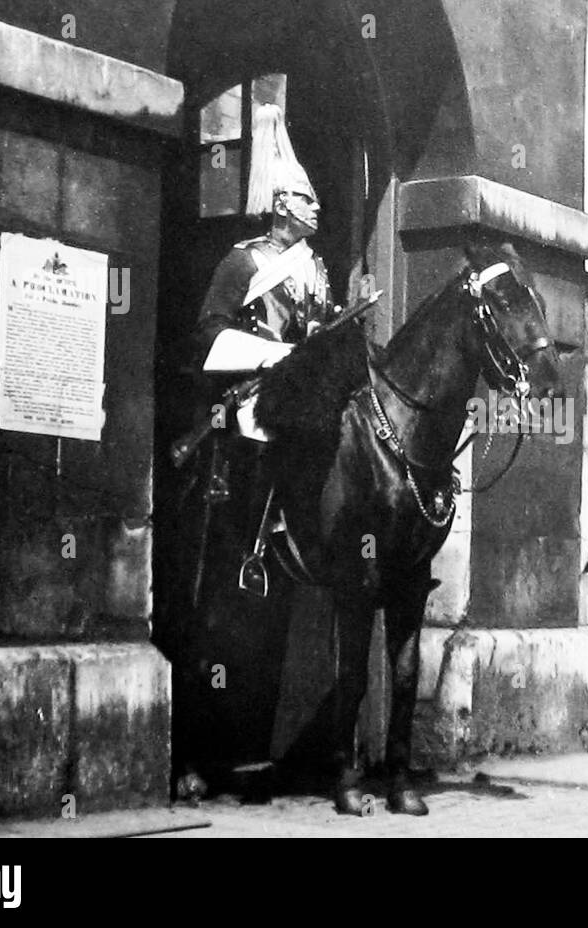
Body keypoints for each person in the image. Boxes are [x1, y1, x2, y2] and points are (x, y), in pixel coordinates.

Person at [172, 103, 343, 792]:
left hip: (305, 418)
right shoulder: (239, 263)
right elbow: (207, 335)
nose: (317, 206)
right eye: (306, 198)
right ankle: (202, 749)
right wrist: (270, 357)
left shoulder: (318, 269)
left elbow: (322, 331)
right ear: (278, 204)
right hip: (248, 414)